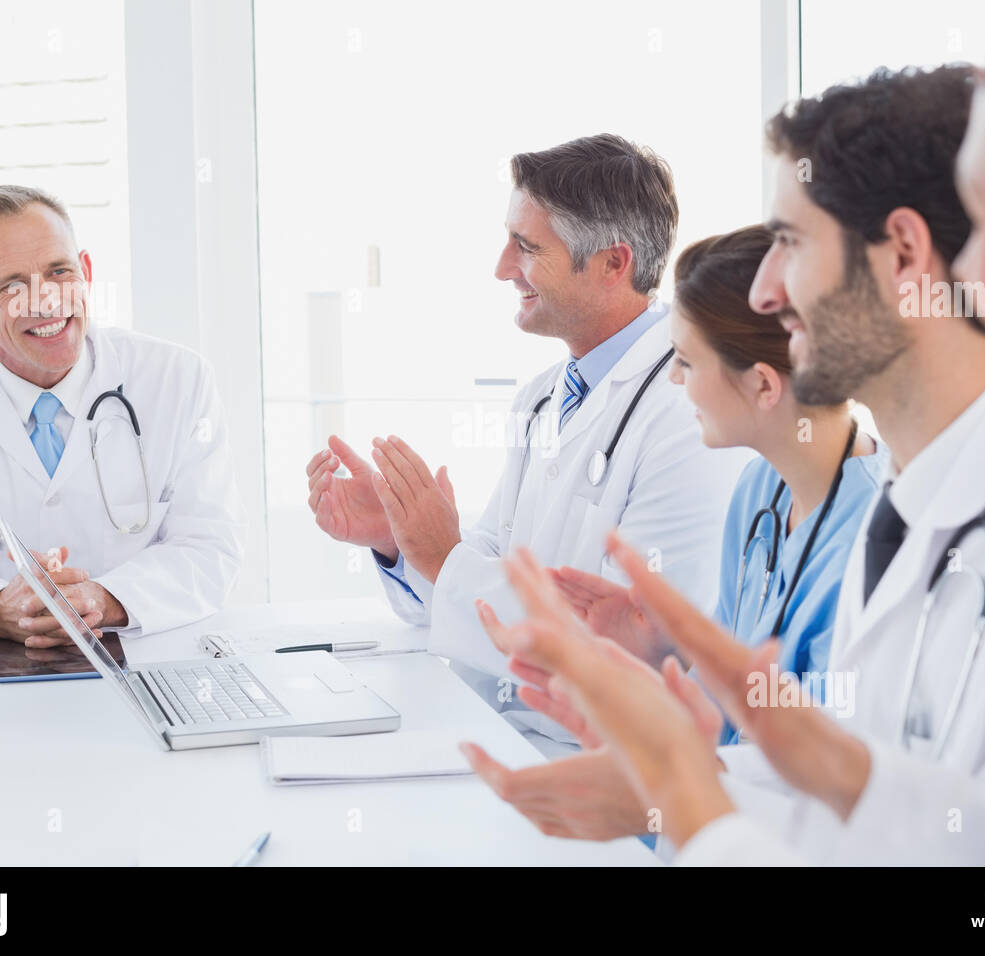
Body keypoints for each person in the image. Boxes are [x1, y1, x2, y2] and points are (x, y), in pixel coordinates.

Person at [465, 62, 985, 863]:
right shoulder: (905, 501)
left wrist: (688, 802)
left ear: (902, 253)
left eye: (789, 243)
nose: (762, 291)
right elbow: (973, 836)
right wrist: (711, 768)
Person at [304, 135, 744, 743]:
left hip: (611, 765)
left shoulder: (691, 409)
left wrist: (441, 556)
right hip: (512, 732)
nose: (502, 267)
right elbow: (481, 566)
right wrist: (399, 538)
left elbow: (637, 642)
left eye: (528, 247)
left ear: (614, 264)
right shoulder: (541, 398)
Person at [476, 226, 888, 750]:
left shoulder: (872, 542)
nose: (672, 380)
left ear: (763, 384)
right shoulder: (760, 492)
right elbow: (716, 707)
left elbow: (822, 772)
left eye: (687, 362)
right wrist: (657, 648)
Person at [0, 185, 244, 650]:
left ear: (87, 271)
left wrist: (104, 599)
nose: (44, 302)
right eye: (11, 285)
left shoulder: (178, 380)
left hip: (145, 671)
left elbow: (209, 550)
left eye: (59, 271)